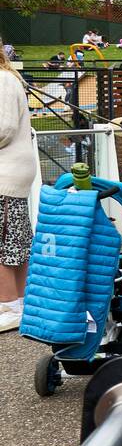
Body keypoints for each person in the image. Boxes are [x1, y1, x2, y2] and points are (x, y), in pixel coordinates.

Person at [0, 46, 37, 333]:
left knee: (4, 244)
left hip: (5, 171)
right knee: (16, 241)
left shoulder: (1, 80)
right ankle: (20, 301)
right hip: (16, 171)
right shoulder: (10, 78)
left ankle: (8, 305)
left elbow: (4, 127)